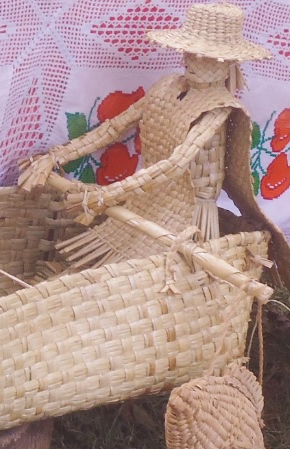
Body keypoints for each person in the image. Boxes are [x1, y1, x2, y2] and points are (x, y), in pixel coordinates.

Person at [19, 3, 289, 280]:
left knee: (162, 277)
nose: (194, 61)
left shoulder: (218, 109)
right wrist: (59, 154)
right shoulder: (167, 87)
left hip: (192, 213)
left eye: (208, 57)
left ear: (229, 63)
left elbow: (175, 163)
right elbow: (114, 127)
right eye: (190, 52)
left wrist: (109, 193)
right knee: (108, 267)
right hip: (149, 197)